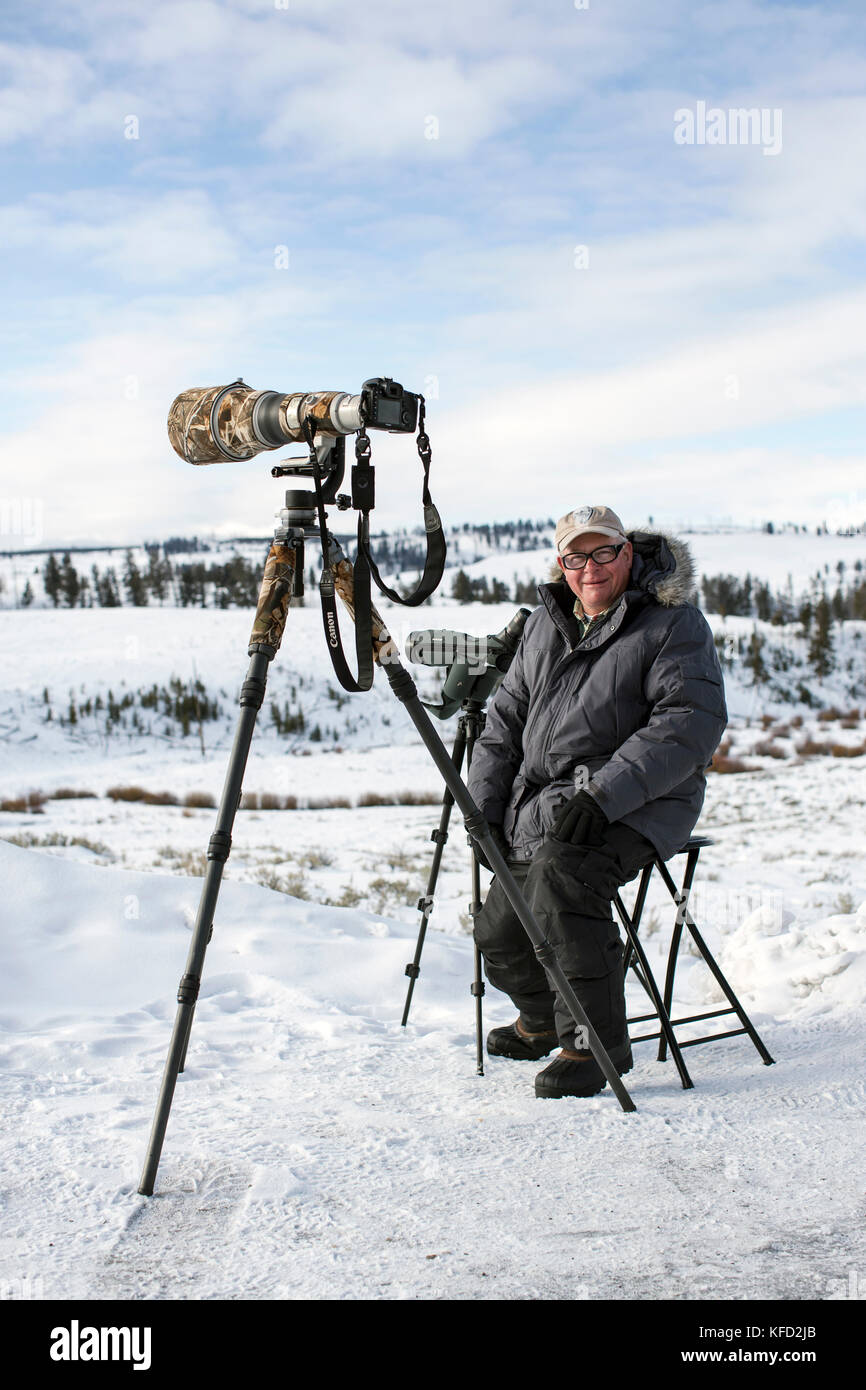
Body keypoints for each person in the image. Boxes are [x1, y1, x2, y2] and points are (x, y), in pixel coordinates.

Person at [467, 505, 727, 1098]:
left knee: (564, 879)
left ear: (627, 553)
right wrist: (483, 804)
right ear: (562, 564)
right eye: (576, 557)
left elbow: (689, 723)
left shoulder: (671, 624)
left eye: (603, 552)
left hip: (643, 799)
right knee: (498, 930)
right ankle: (539, 1021)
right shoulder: (542, 625)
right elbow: (502, 725)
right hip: (546, 807)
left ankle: (591, 1047)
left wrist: (603, 796)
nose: (591, 568)